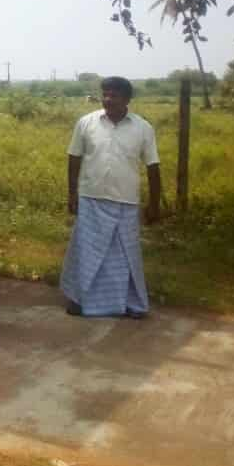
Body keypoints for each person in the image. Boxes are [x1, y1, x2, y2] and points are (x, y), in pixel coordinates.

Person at [61, 76, 163, 319]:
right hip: (91, 198)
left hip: (125, 202)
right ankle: (80, 300)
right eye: (104, 94)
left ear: (127, 99)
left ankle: (130, 303)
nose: (107, 99)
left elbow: (153, 167)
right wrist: (72, 193)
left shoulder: (142, 128)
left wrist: (154, 205)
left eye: (113, 95)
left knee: (124, 256)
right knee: (87, 254)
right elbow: (74, 158)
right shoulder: (86, 123)